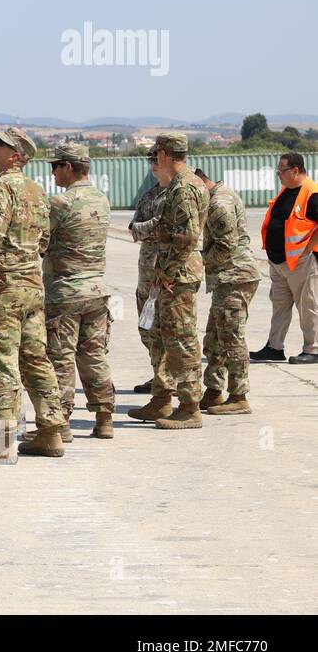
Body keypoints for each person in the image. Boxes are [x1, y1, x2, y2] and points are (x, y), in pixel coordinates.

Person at [0, 127, 65, 464]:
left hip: (3, 290)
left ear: (15, 155)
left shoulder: (0, 188)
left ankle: (3, 441)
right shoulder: (37, 191)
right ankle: (51, 430)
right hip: (32, 287)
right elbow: (46, 241)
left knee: (1, 362)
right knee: (36, 359)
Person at [128, 132, 210, 430]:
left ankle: (190, 407)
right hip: (169, 272)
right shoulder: (178, 185)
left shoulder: (185, 187)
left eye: (156, 153)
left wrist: (168, 273)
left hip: (178, 275)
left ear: (164, 153)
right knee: (163, 337)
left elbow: (187, 237)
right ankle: (162, 399)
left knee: (181, 339)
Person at [42, 144, 115, 440]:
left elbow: (39, 240)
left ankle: (62, 423)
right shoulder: (102, 199)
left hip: (66, 292)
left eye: (55, 166)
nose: (53, 172)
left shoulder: (61, 202)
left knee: (61, 357)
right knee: (94, 355)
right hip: (96, 290)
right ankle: (104, 418)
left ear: (68, 167)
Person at [195, 168, 261, 413]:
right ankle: (213, 391)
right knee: (215, 336)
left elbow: (225, 245)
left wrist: (197, 260)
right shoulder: (219, 196)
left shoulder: (218, 204)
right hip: (226, 277)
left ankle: (239, 395)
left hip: (235, 276)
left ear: (201, 185)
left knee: (231, 336)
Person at [250, 152, 318, 365]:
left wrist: (307, 248)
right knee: (279, 305)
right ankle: (274, 347)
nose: (278, 175)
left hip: (301, 262)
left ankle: (313, 349)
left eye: (281, 171)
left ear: (295, 170)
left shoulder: (311, 193)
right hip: (279, 262)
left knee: (308, 305)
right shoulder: (287, 191)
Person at [128, 148, 165, 393]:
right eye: (150, 161)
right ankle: (158, 374)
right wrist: (150, 227)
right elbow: (133, 228)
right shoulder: (149, 195)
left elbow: (165, 225)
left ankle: (166, 380)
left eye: (156, 160)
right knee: (146, 326)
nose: (153, 165)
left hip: (164, 271)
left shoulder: (175, 196)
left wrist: (147, 227)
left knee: (164, 327)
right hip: (146, 271)